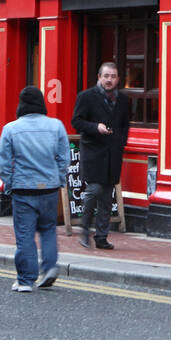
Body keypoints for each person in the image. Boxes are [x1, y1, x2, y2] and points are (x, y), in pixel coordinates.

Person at [0, 86, 70, 293]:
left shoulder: (11, 129)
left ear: (21, 105)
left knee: (25, 235)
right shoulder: (56, 126)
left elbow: (3, 163)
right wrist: (59, 180)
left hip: (23, 189)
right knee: (48, 230)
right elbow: (64, 159)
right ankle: (48, 268)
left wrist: (9, 184)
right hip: (49, 188)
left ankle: (25, 280)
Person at [72, 62, 131, 250]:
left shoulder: (123, 100)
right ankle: (84, 228)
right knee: (94, 190)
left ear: (118, 79)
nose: (109, 80)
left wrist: (121, 143)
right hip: (93, 153)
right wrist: (95, 127)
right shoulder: (86, 97)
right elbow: (76, 121)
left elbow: (124, 125)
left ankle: (101, 236)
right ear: (99, 77)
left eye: (113, 76)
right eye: (106, 76)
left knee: (107, 196)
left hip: (113, 154)